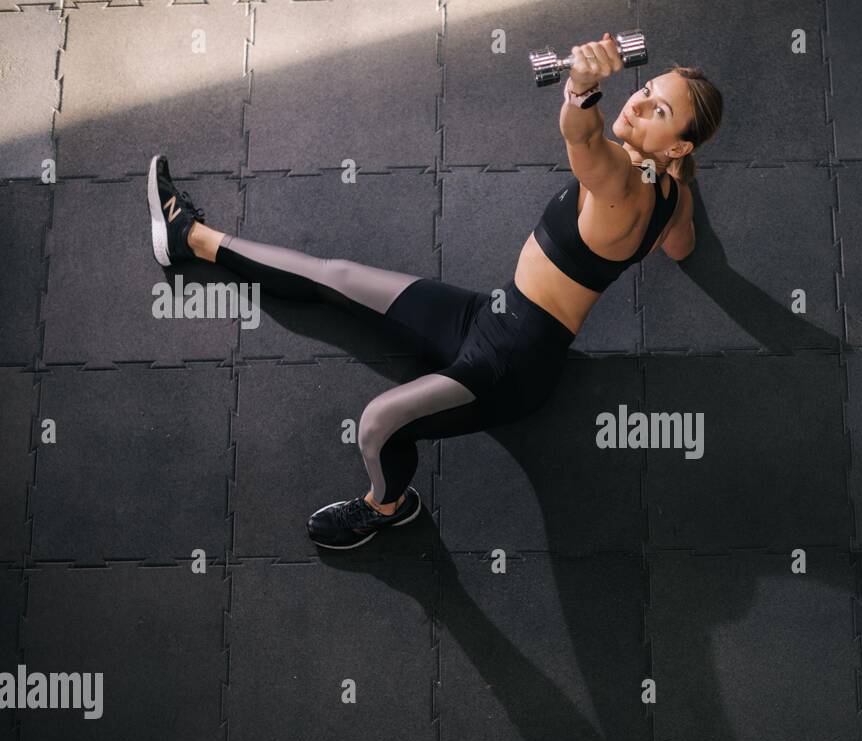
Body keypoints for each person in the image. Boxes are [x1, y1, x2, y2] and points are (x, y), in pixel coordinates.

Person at [146, 34, 723, 549]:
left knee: (377, 423)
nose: (640, 103)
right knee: (337, 276)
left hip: (512, 367)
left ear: (678, 146)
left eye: (659, 110)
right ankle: (189, 238)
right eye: (646, 88)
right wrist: (669, 221)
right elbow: (682, 243)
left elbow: (581, 137)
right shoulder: (674, 190)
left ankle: (388, 507)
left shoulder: (623, 185)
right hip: (491, 314)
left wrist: (580, 88)